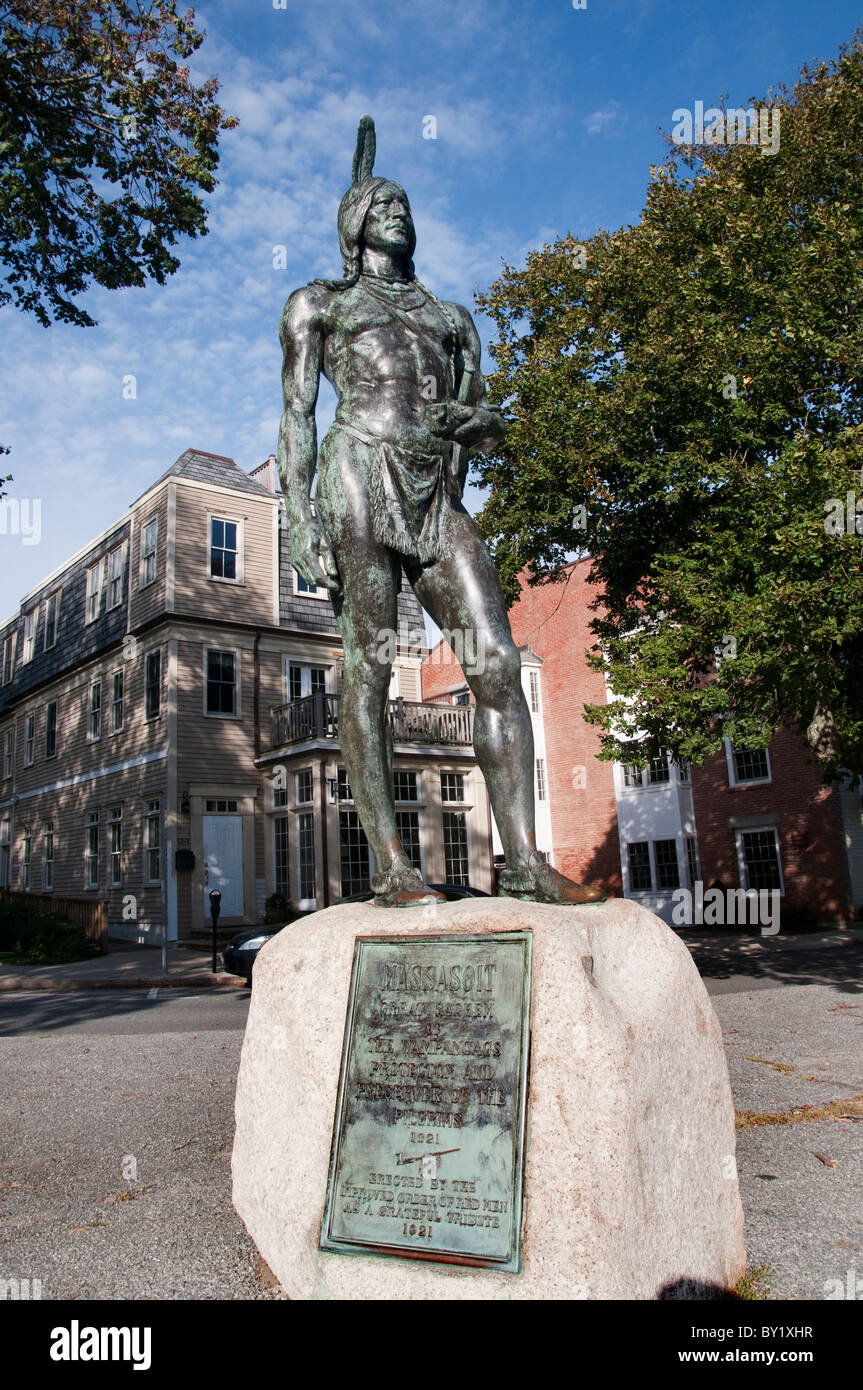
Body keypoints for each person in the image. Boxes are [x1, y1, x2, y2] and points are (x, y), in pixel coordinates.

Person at [277, 116, 604, 908]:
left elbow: (481, 418)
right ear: (354, 224)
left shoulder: (452, 319)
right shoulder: (317, 304)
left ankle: (522, 861)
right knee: (372, 662)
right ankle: (393, 864)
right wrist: (298, 518)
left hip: (436, 493)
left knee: (493, 658)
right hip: (358, 469)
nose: (396, 208)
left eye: (403, 202)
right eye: (380, 201)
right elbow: (297, 414)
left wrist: (481, 423)